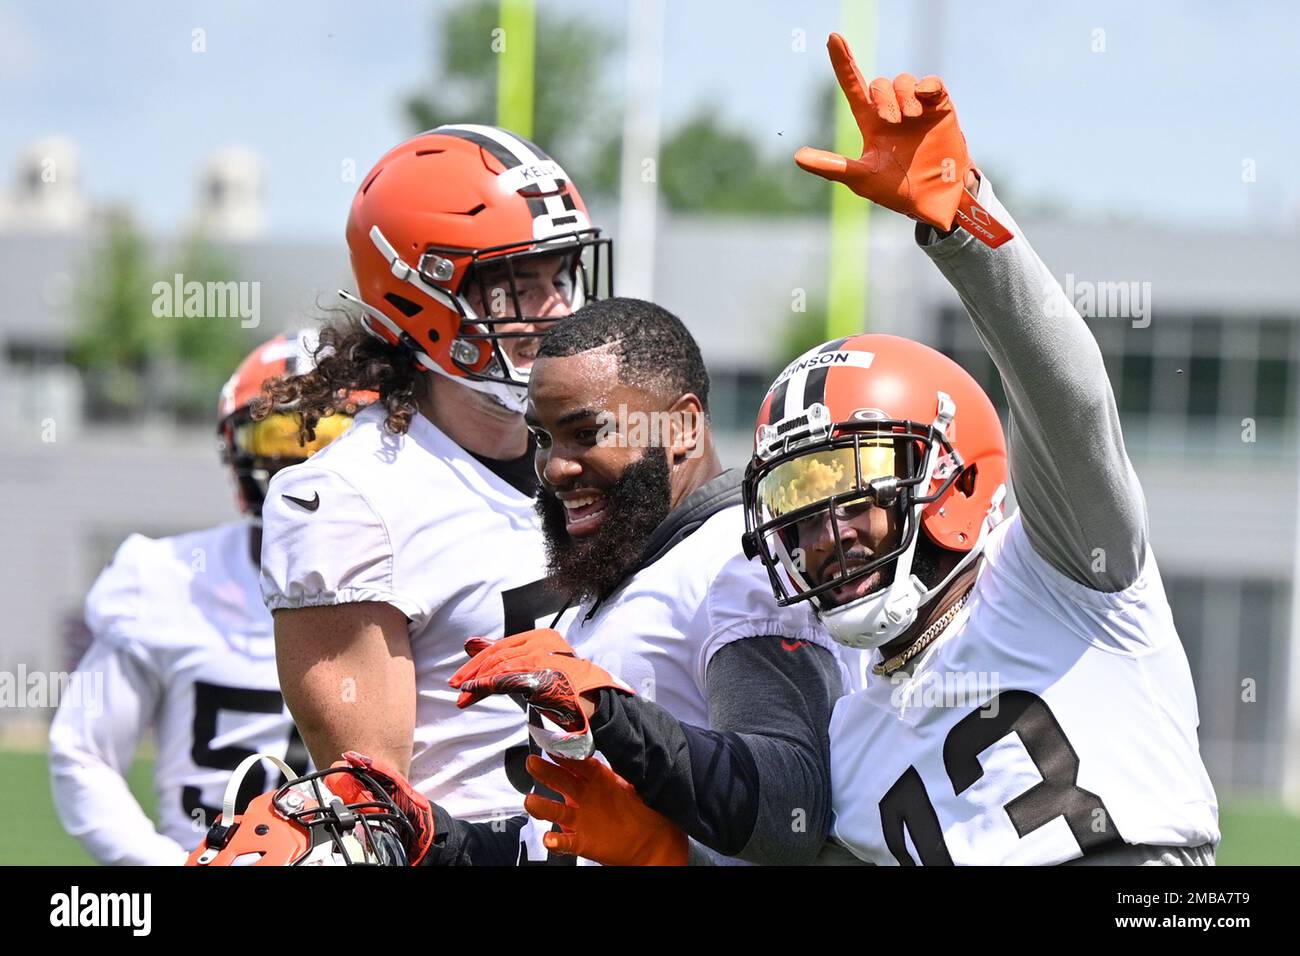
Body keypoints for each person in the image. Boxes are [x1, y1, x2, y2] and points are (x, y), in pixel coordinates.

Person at [739, 34, 1218, 864]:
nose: (827, 538)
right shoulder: (846, 741)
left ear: (951, 483)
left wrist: (964, 221)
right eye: (801, 515)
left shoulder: (1063, 572)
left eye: (853, 496)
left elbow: (1067, 393)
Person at [258, 125, 612, 826]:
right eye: (518, 284)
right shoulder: (349, 499)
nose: (558, 309)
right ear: (419, 294)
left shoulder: (603, 453)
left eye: (559, 275)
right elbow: (381, 813)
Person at [441, 297, 850, 866]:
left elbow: (789, 810)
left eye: (584, 431)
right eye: (542, 438)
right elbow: (579, 841)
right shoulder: (629, 564)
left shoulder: (737, 563)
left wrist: (608, 709)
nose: (555, 467)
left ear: (680, 426)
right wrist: (437, 843)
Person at [49, 330, 367, 865]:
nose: (303, 463)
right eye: (278, 436)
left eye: (330, 436)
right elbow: (83, 754)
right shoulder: (165, 579)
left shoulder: (426, 576)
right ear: (237, 448)